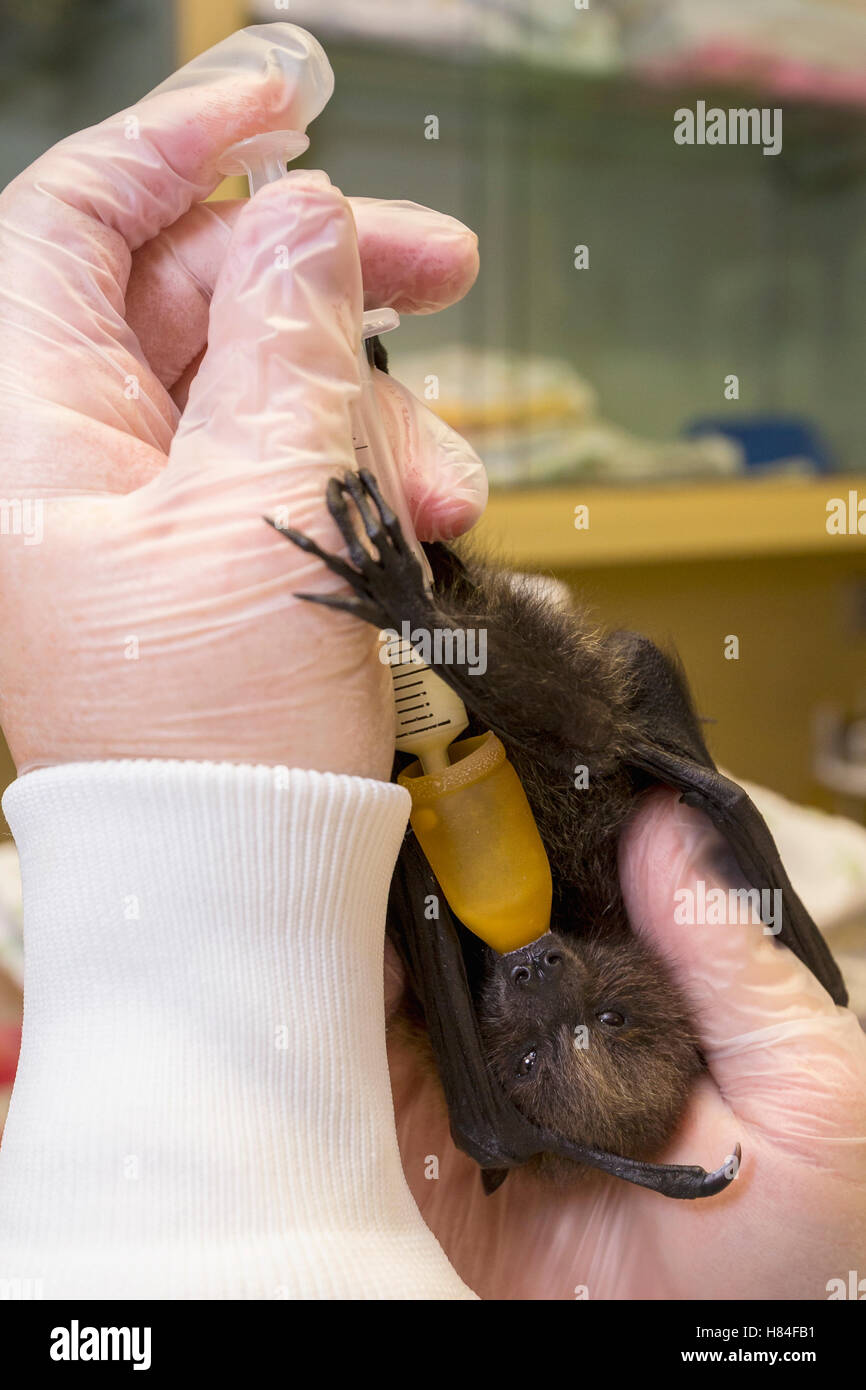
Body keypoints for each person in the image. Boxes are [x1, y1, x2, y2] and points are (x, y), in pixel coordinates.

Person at [0, 23, 863, 1301]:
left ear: (497, 1096)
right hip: (499, 669)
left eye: (526, 1055)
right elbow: (567, 708)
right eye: (600, 1016)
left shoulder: (471, 1002)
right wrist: (418, 618)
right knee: (570, 737)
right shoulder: (630, 888)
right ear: (668, 1013)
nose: (535, 988)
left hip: (397, 734)